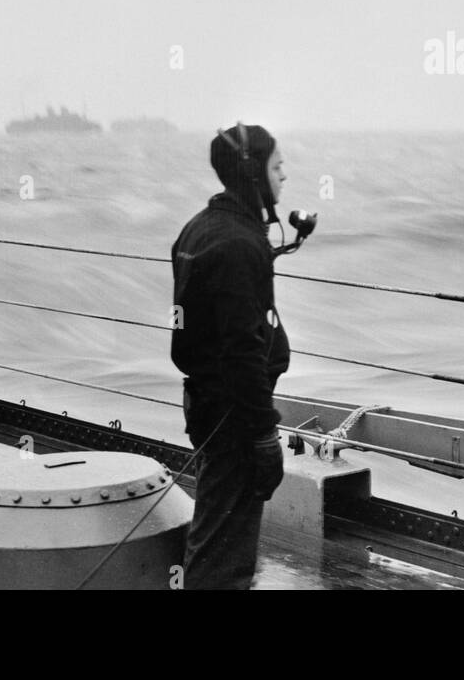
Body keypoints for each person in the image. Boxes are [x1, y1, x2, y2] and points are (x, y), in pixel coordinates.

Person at [170, 122, 290, 590]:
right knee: (226, 549)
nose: (284, 176)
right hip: (234, 413)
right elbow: (242, 351)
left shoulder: (201, 227)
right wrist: (263, 433)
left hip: (208, 401)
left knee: (218, 528)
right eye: (277, 166)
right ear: (252, 172)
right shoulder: (238, 243)